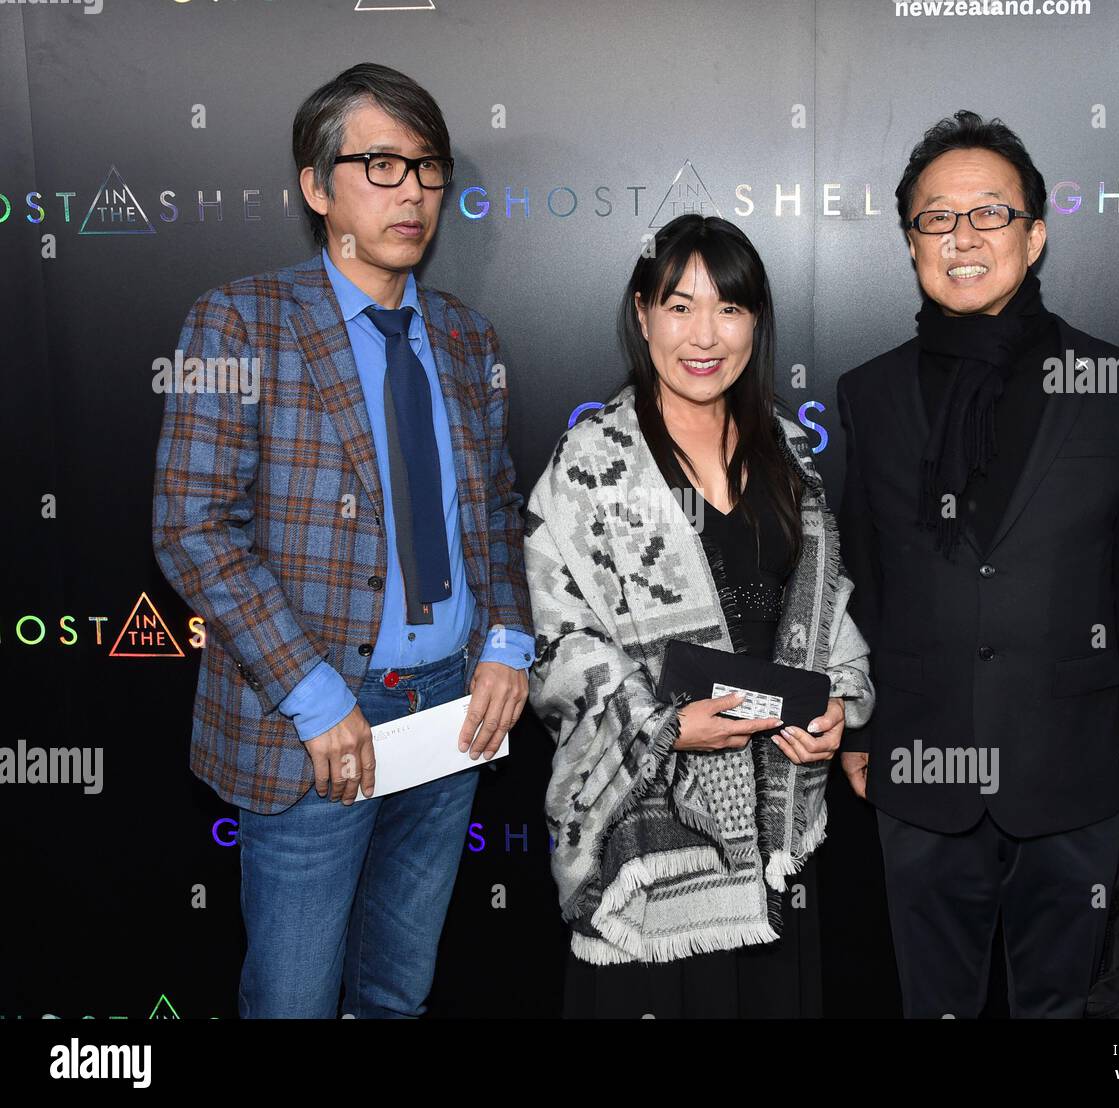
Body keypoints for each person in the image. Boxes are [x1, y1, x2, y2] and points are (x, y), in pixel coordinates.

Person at [151, 63, 534, 1018]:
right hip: (313, 721)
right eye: (379, 164)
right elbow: (193, 528)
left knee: (398, 990)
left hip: (450, 709)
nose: (411, 190)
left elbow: (492, 512)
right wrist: (316, 698)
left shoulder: (467, 338)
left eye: (428, 167)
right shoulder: (240, 321)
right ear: (317, 188)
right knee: (292, 1000)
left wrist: (508, 643)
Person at [836, 110, 1119, 1018]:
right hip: (919, 762)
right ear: (910, 241)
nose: (961, 238)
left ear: (1035, 234)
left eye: (988, 214)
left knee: (1064, 1007)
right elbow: (860, 578)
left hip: (1069, 763)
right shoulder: (870, 393)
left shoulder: (1113, 383)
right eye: (935, 218)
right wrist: (865, 729)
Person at [525, 213, 875, 1018]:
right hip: (653, 837)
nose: (704, 333)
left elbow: (828, 610)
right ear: (641, 312)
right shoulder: (591, 462)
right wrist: (663, 728)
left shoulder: (787, 451)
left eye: (730, 308)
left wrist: (837, 705)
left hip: (778, 821)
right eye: (679, 306)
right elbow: (557, 639)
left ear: (756, 321)